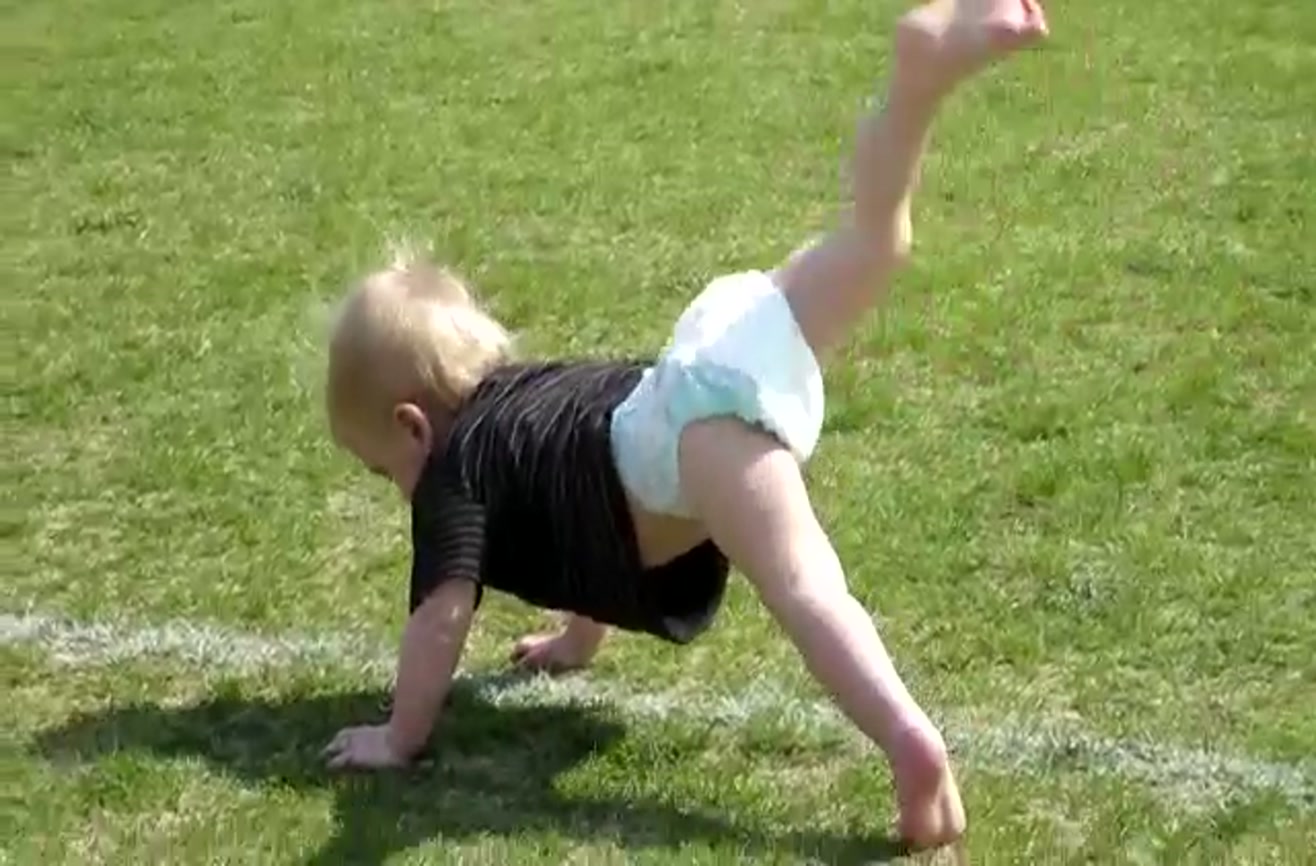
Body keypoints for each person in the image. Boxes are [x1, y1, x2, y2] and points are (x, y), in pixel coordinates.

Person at [320, 0, 1050, 853]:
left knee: (810, 592)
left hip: (688, 427)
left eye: (384, 472)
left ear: (412, 428)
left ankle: (908, 740)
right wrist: (573, 638)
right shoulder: (524, 404)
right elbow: (577, 515)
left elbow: (440, 616)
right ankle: (918, 82)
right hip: (717, 336)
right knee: (871, 238)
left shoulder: (454, 469)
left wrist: (398, 737)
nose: (401, 490)